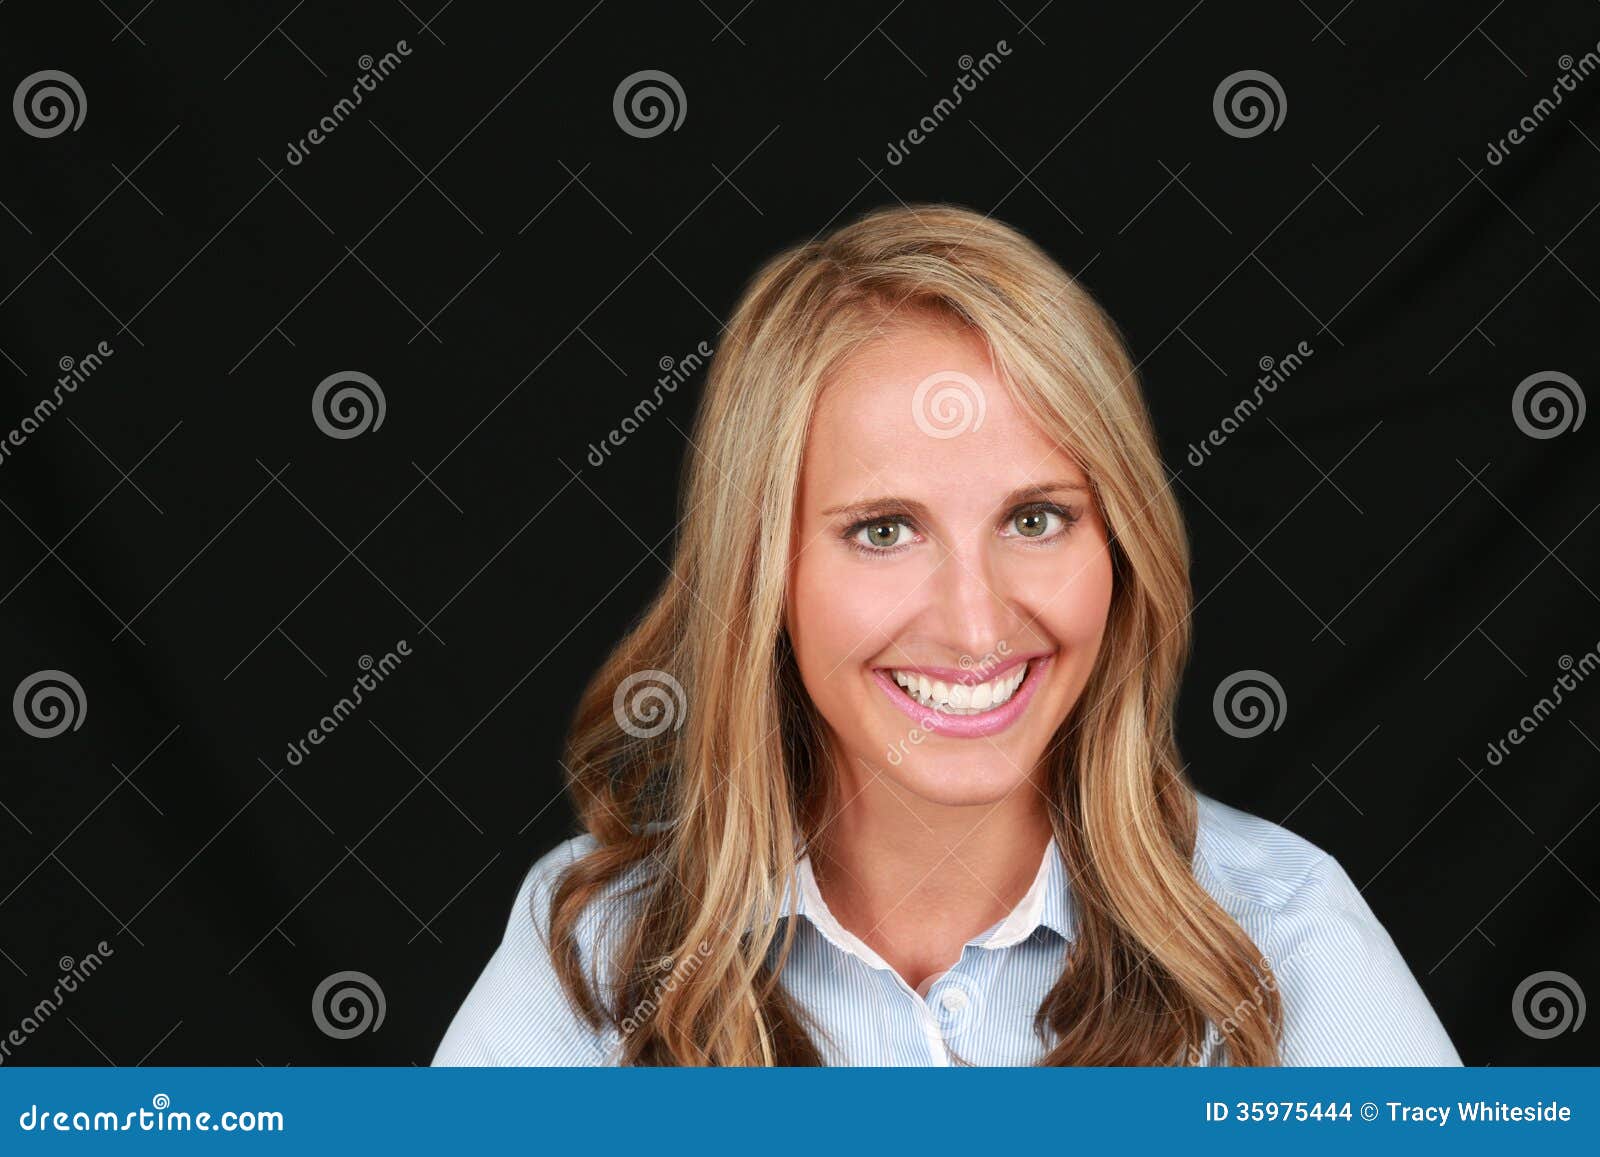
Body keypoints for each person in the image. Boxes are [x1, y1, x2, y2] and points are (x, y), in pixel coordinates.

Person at [432, 204, 1461, 1066]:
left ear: (1121, 544)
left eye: (1035, 517)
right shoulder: (597, 950)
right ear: (764, 575)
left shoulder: (1284, 938)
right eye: (883, 530)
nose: (975, 623)